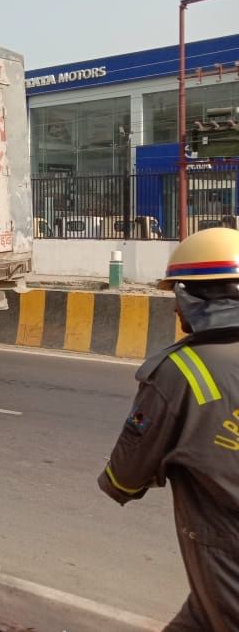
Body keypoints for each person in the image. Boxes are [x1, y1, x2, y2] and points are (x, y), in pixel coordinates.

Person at [98, 227, 239, 630]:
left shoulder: (179, 373)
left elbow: (123, 480)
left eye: (177, 294)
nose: (175, 310)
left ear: (192, 299)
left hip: (227, 566)